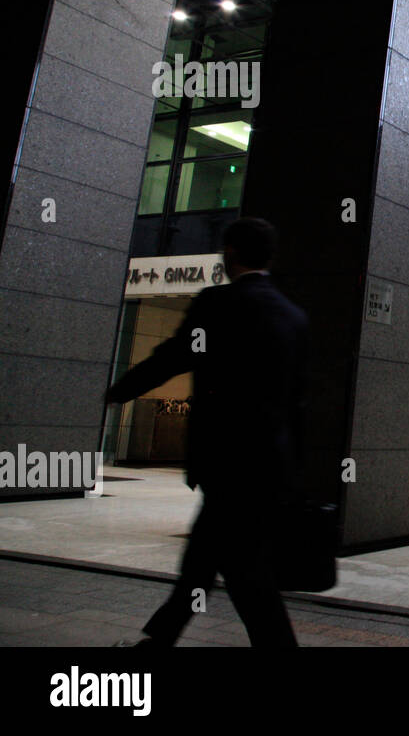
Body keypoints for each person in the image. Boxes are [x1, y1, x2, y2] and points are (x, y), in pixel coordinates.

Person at [106, 217, 308, 647]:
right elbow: (300, 403)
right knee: (211, 566)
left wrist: (118, 391)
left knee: (238, 573)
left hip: (226, 464)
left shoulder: (218, 304)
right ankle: (157, 643)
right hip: (269, 466)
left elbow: (172, 357)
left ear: (230, 253)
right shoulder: (294, 317)